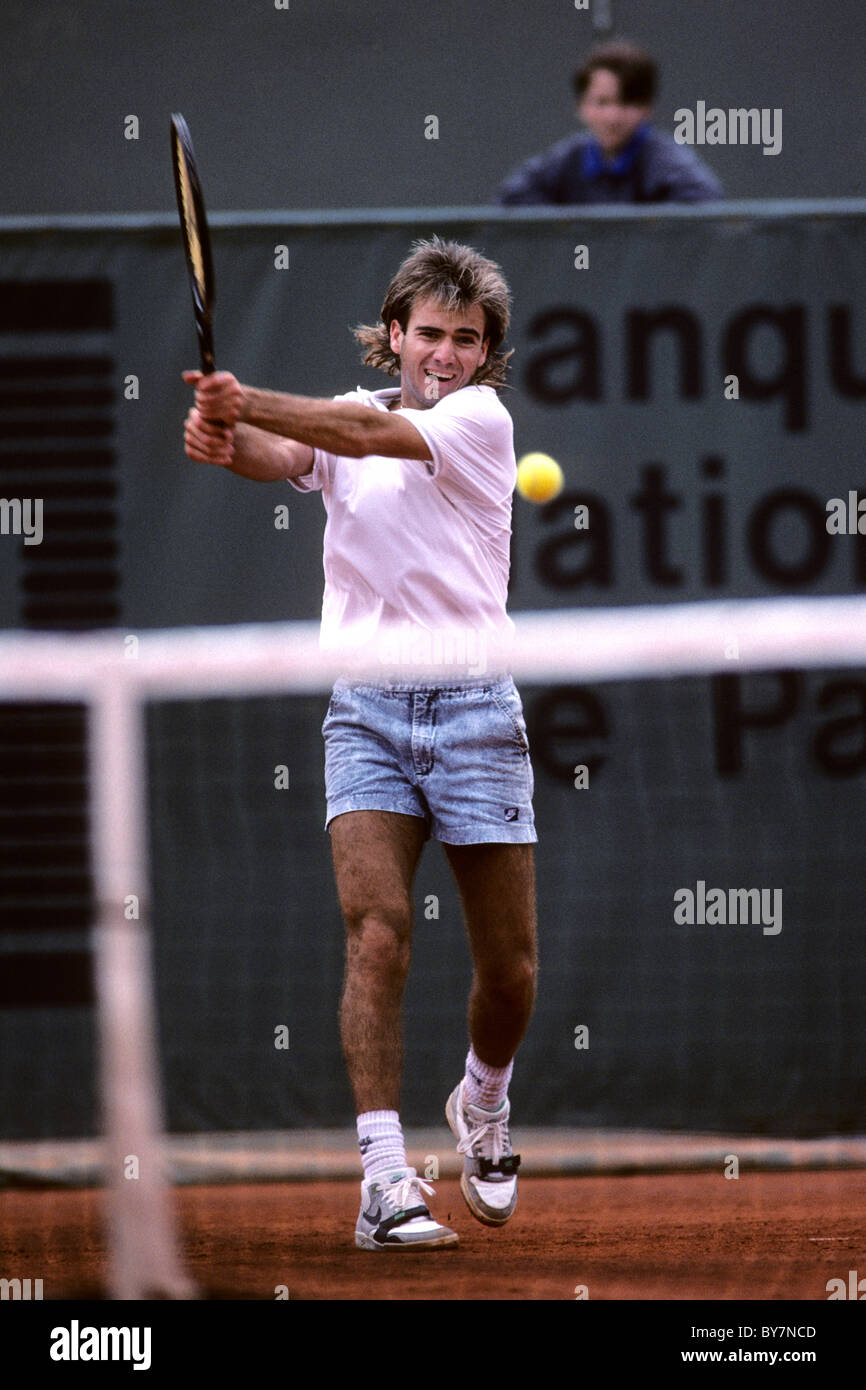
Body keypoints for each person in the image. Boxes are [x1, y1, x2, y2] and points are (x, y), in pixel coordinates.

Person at [183, 238, 538, 1251]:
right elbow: (283, 456)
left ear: (483, 353)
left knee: (509, 974)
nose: (444, 354)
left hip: (476, 710)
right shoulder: (354, 415)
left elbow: (341, 429)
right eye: (427, 333)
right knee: (376, 933)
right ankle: (383, 1176)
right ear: (395, 335)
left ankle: (481, 1096)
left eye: (464, 339)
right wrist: (222, 432)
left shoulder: (477, 421)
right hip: (366, 713)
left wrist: (243, 395)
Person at [497, 40, 723, 205]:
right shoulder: (565, 160)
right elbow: (511, 199)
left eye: (627, 103)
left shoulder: (670, 164)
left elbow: (704, 208)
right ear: (581, 106)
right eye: (602, 102)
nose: (613, 117)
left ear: (647, 108)